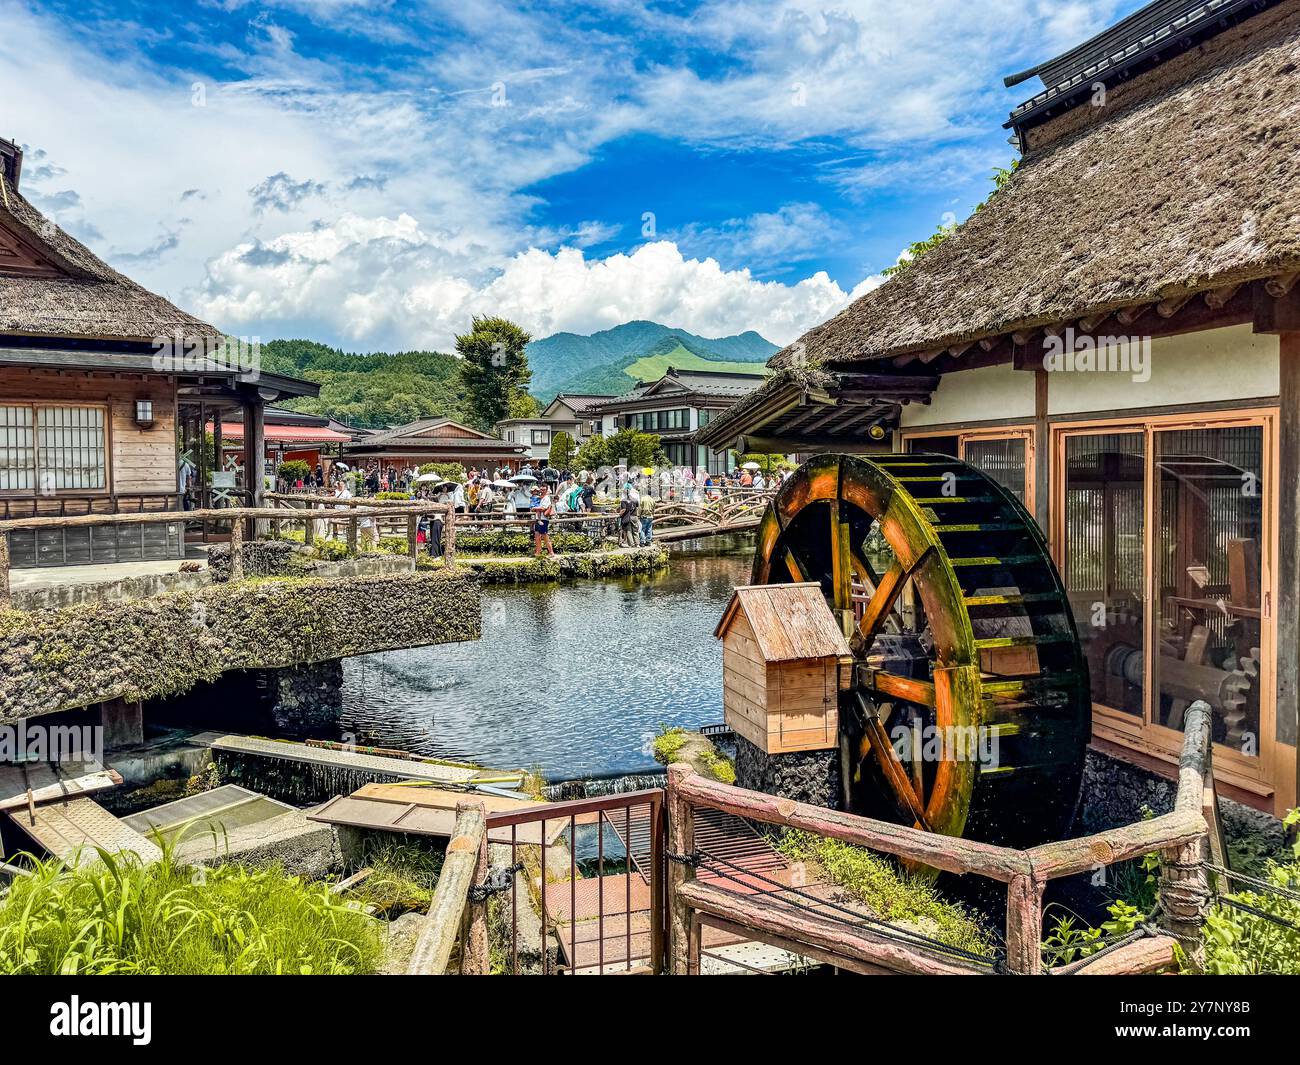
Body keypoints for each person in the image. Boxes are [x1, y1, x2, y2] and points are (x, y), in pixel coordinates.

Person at [532, 483, 557, 558]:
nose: (542, 491)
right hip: (538, 518)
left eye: (544, 490)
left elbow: (543, 508)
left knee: (544, 535)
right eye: (541, 490)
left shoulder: (546, 498)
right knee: (537, 535)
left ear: (546, 490)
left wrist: (535, 508)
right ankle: (538, 551)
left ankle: (551, 552)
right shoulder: (541, 498)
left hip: (543, 519)